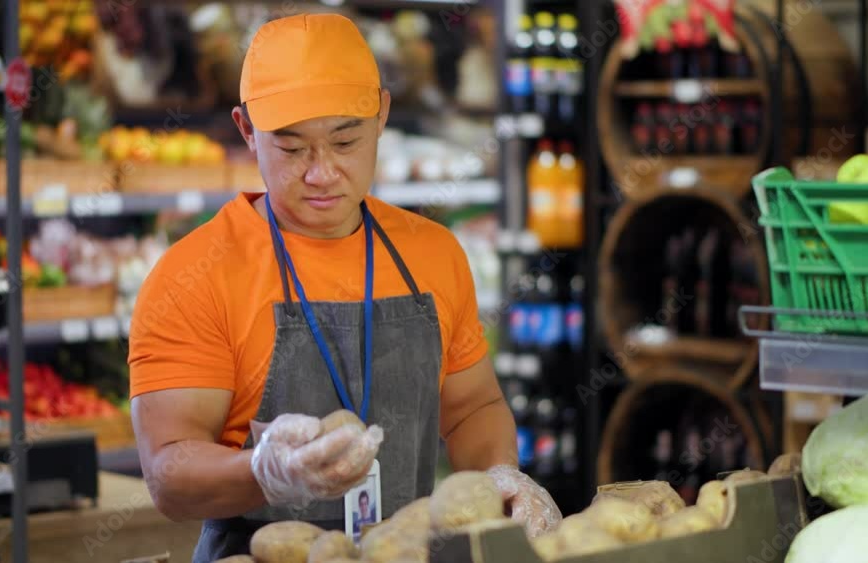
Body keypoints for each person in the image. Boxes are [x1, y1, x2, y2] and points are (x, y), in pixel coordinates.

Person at [127, 13, 562, 561]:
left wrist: (501, 476)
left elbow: (473, 405)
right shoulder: (194, 276)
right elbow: (168, 476)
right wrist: (267, 471)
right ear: (245, 130)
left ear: (380, 113)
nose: (322, 172)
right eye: (291, 148)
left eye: (345, 140)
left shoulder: (431, 254)